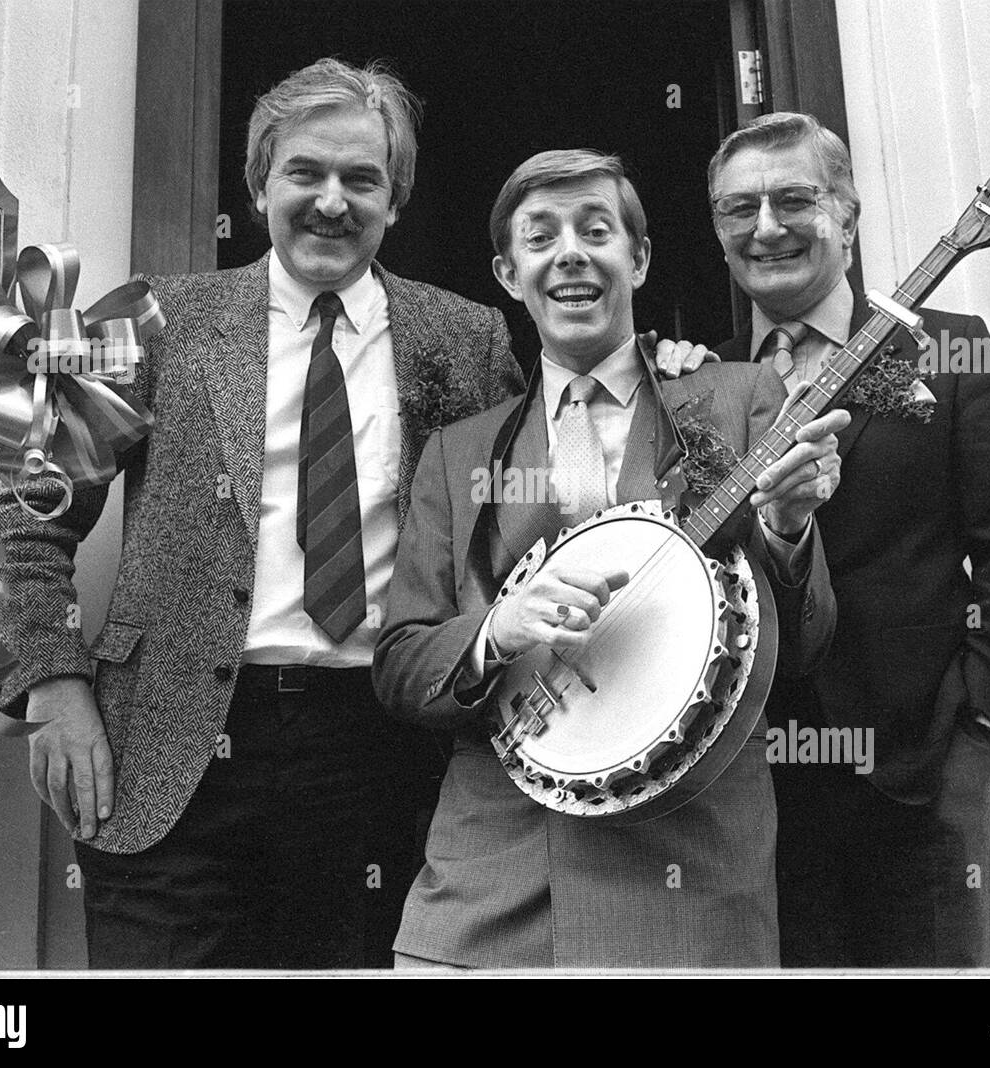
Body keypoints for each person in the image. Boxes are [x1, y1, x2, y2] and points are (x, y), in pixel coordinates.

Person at [0, 58, 533, 969]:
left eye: (362, 179)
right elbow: (30, 506)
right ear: (259, 186)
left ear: (394, 199)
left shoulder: (465, 337)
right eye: (304, 173)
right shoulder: (160, 317)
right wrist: (54, 684)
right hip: (166, 755)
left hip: (380, 753)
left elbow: (526, 516)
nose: (332, 201)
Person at [372, 149, 849, 968]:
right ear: (508, 272)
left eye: (597, 230)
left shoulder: (737, 400)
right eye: (540, 237)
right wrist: (495, 629)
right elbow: (402, 665)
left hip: (689, 866)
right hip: (492, 878)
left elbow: (802, 650)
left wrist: (788, 531)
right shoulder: (458, 454)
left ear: (640, 256)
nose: (571, 253)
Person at [706, 111, 990, 967]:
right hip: (751, 793)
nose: (767, 228)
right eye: (738, 209)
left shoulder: (950, 352)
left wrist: (976, 731)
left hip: (917, 771)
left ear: (849, 214)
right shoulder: (698, 382)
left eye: (794, 199)